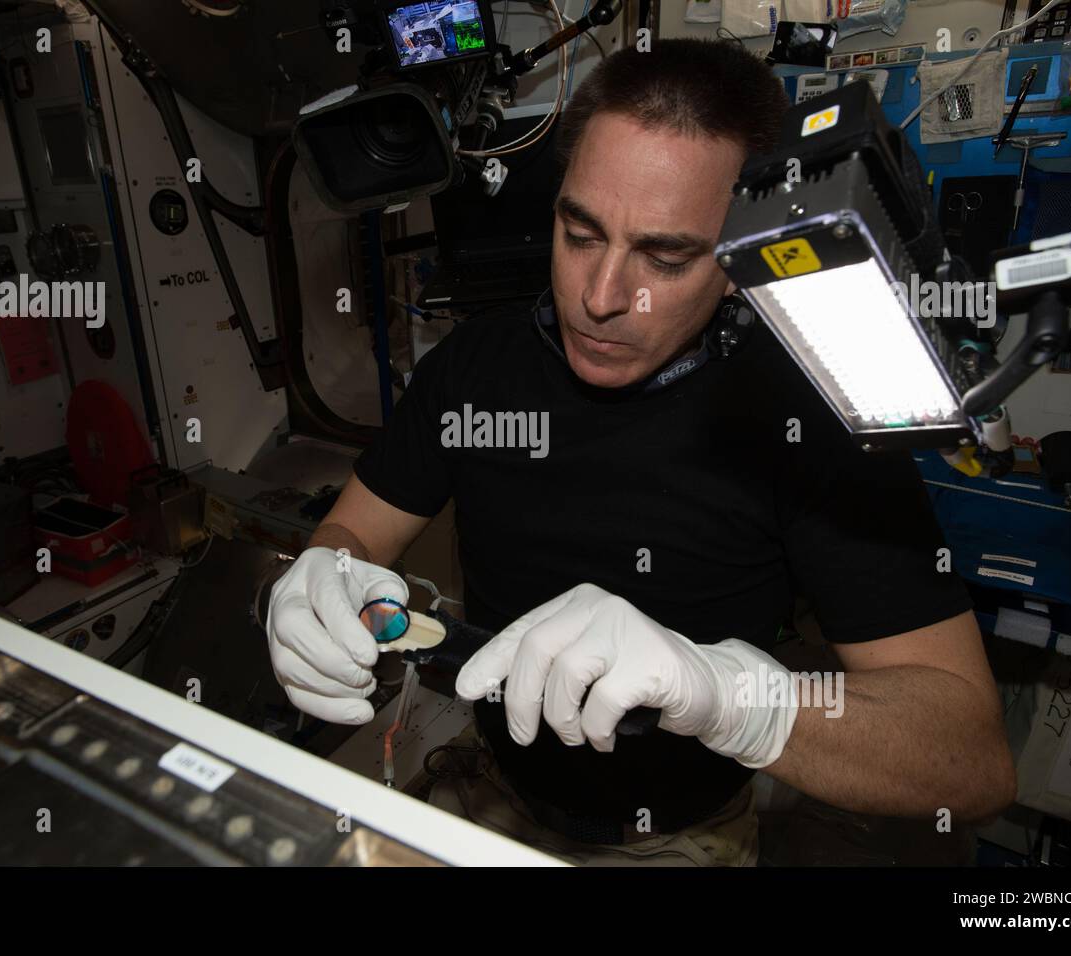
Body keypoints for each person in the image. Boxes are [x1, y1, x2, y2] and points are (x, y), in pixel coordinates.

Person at [267, 38, 1016, 866]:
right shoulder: (473, 368)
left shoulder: (813, 416)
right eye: (579, 232)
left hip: (673, 841)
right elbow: (353, 536)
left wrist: (740, 702)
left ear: (737, 259)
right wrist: (318, 582)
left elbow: (972, 760)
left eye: (665, 257)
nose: (601, 297)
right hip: (486, 794)